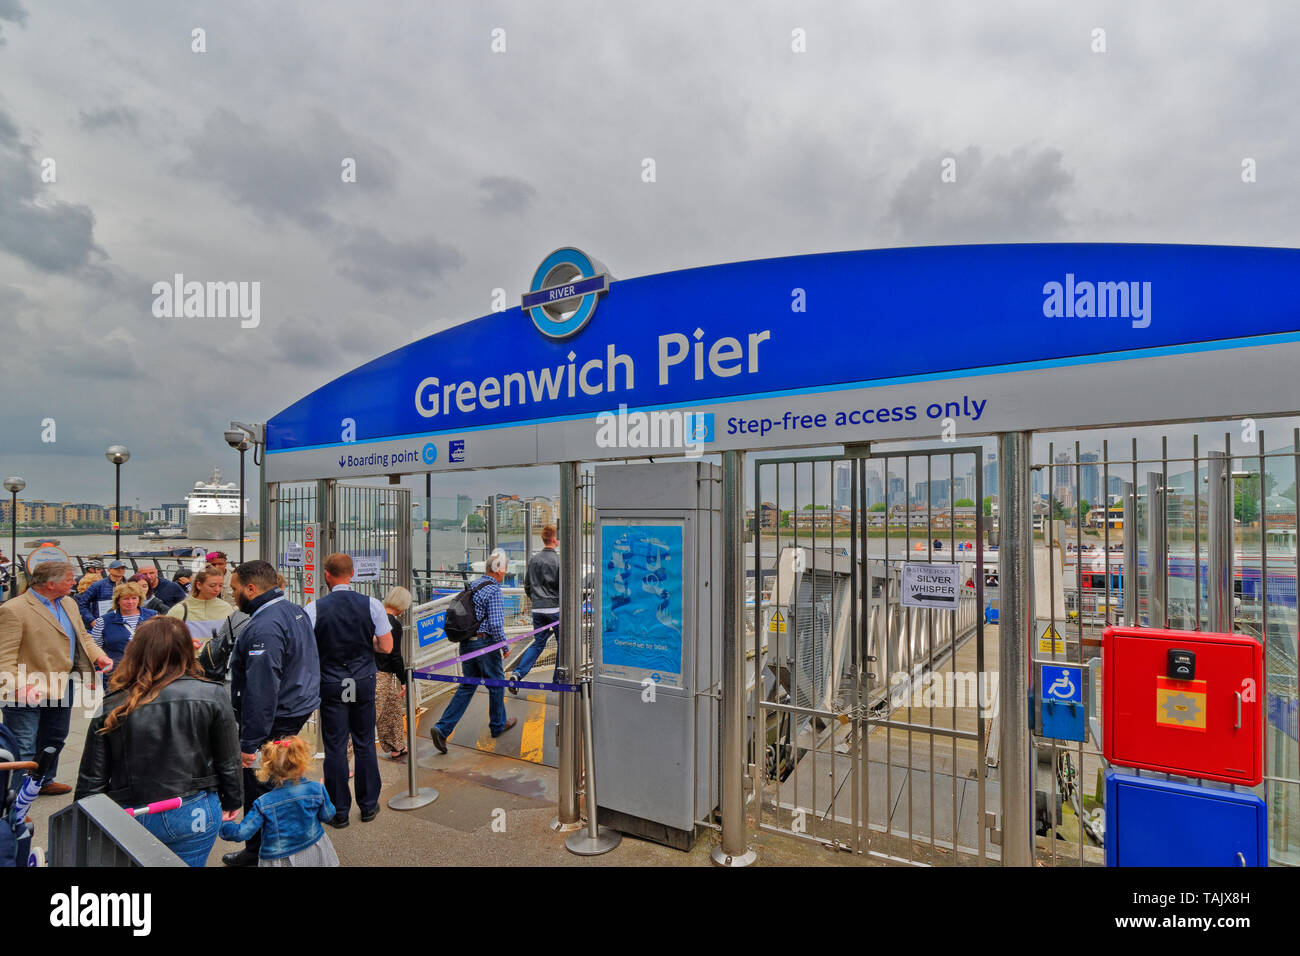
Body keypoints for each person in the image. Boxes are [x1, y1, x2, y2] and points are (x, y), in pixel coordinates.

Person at [75, 616, 242, 866]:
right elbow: (228, 759)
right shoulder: (212, 694)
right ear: (187, 650)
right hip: (194, 809)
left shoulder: (112, 705)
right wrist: (232, 799)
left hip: (133, 811)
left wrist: (82, 823)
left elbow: (92, 778)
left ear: (135, 651)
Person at [221, 559, 320, 867]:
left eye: (235, 589)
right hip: (297, 705)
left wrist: (249, 743)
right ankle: (286, 837)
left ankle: (259, 849)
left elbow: (262, 689)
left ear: (251, 589)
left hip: (276, 715)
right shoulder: (294, 610)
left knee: (260, 783)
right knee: (282, 775)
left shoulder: (265, 625)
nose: (233, 595)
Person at [0, 561, 114, 795]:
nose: (74, 582)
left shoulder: (69, 602)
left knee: (55, 737)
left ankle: (42, 781)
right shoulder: (14, 609)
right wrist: (18, 687)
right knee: (23, 745)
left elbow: (83, 635)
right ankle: (15, 799)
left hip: (63, 683)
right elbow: (4, 657)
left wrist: (99, 656)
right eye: (69, 579)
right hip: (26, 688)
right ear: (51, 584)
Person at [305, 553, 392, 828]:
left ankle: (338, 811)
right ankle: (368, 806)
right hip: (362, 678)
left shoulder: (314, 608)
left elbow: (307, 648)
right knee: (365, 742)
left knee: (335, 747)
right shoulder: (372, 605)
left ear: (327, 575)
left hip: (331, 681)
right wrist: (370, 646)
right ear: (352, 574)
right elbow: (387, 647)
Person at [429, 549, 516, 754]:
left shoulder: (474, 585)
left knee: (467, 686)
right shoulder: (494, 589)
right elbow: (495, 624)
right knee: (496, 684)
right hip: (485, 645)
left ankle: (442, 729)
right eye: (504, 569)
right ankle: (497, 725)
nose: (505, 573)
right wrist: (504, 646)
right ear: (498, 570)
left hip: (467, 643)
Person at [218, 736, 339, 867]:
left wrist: (225, 824)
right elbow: (327, 815)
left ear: (269, 770)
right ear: (303, 765)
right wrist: (323, 794)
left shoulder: (263, 803)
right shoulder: (317, 789)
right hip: (313, 847)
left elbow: (242, 833)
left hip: (279, 858)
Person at [509, 524, 560, 695]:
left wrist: (536, 600)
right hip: (555, 609)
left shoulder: (534, 560)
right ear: (554, 539)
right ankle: (557, 680)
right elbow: (564, 588)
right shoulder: (559, 561)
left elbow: (527, 586)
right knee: (563, 644)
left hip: (538, 609)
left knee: (538, 643)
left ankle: (517, 674)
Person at [89, 581, 158, 668]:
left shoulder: (154, 617)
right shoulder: (103, 621)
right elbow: (95, 647)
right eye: (126, 598)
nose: (130, 602)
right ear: (117, 600)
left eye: (134, 598)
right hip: (116, 671)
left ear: (139, 599)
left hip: (147, 669)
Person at [377, 586, 411, 758]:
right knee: (368, 718)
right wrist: (403, 679)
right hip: (382, 675)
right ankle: (344, 763)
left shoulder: (373, 617)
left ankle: (396, 745)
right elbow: (395, 655)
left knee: (392, 709)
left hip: (368, 671)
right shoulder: (393, 624)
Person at [78, 559, 128, 627]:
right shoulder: (98, 585)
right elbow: (82, 604)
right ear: (109, 570)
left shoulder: (129, 584)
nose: (120, 570)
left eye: (123, 568)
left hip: (124, 620)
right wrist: (91, 620)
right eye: (117, 568)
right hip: (102, 621)